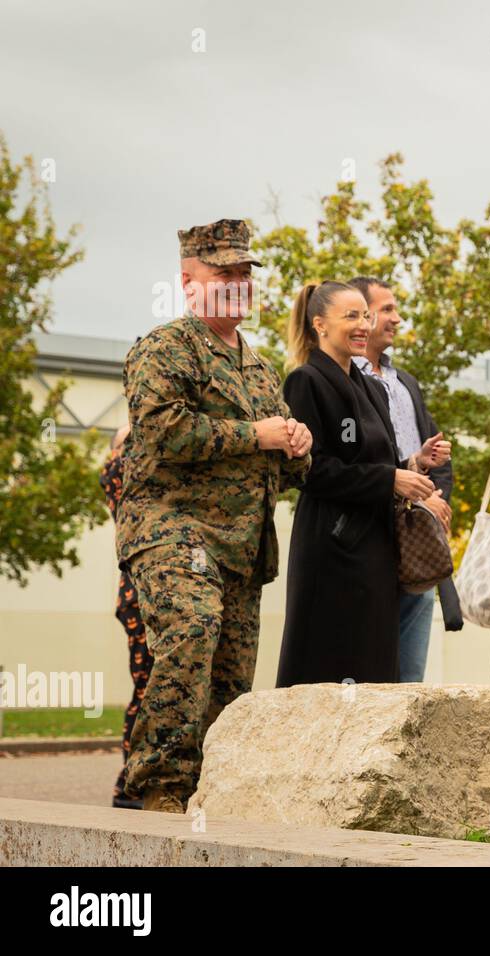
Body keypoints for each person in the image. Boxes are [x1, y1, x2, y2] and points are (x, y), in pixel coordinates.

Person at [116, 218, 313, 812]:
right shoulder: (164, 349)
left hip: (240, 547)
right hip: (171, 528)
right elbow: (166, 432)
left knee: (230, 681)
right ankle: (159, 786)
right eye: (222, 273)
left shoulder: (259, 367)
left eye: (243, 274)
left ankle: (209, 791)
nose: (237, 284)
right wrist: (257, 434)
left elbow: (276, 463)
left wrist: (298, 445)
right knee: (191, 630)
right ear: (188, 281)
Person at [278, 281, 444, 686]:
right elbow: (312, 472)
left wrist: (414, 463)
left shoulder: (371, 386)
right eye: (350, 316)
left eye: (364, 316)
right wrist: (390, 478)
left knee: (374, 673)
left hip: (376, 548)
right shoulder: (306, 382)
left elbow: (376, 460)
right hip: (332, 549)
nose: (363, 325)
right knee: (328, 673)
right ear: (320, 324)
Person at [348, 276, 454, 682]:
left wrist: (434, 501)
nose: (397, 318)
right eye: (388, 309)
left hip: (417, 537)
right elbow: (360, 461)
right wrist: (406, 493)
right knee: (368, 670)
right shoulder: (345, 379)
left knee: (410, 675)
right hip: (371, 532)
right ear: (362, 315)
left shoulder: (407, 381)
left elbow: (436, 453)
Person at [99, 424, 153, 810]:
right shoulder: (116, 474)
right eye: (127, 443)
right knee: (147, 685)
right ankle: (129, 784)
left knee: (154, 684)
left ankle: (134, 781)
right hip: (137, 595)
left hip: (153, 593)